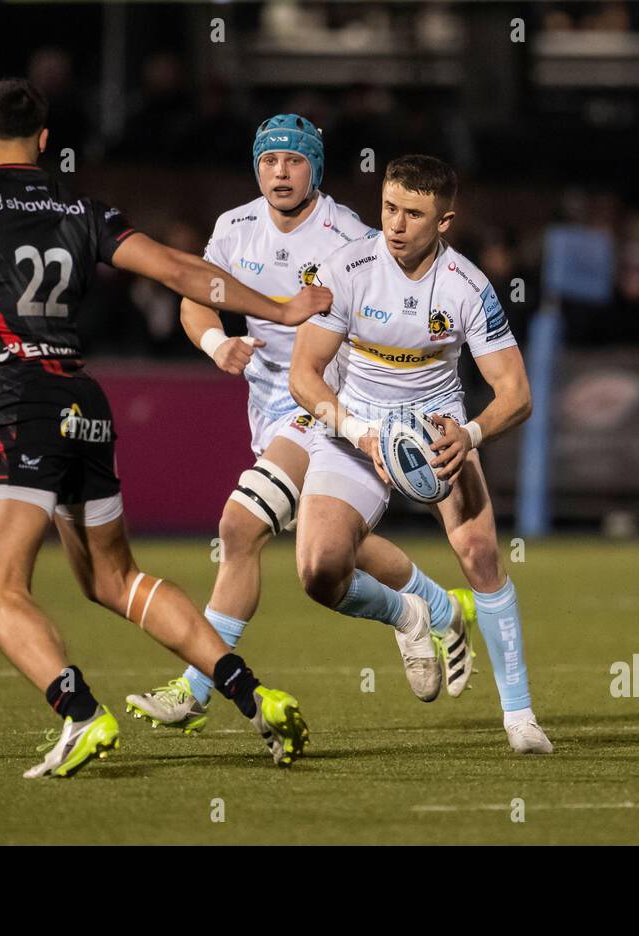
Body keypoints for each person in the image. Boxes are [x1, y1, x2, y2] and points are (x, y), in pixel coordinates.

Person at [0, 79, 330, 775]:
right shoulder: (81, 204)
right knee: (114, 579)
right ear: (46, 141)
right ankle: (254, 696)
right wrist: (283, 309)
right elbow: (177, 269)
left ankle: (81, 715)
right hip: (82, 402)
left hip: (16, 403)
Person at [128, 116, 477, 731]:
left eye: (293, 161)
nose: (280, 172)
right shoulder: (234, 228)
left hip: (323, 408)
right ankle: (427, 608)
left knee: (238, 528)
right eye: (269, 161)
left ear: (314, 169)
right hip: (266, 410)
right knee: (329, 559)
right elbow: (195, 297)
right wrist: (215, 344)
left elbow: (398, 294)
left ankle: (197, 688)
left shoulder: (348, 234)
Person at [289, 155, 552, 755]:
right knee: (319, 572)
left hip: (437, 436)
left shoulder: (467, 287)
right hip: (354, 432)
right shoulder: (345, 268)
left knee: (482, 554)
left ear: (446, 221)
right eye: (388, 208)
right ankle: (413, 615)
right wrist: (359, 434)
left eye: (413, 213)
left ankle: (520, 719)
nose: (396, 224)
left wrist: (471, 436)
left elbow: (516, 395)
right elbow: (305, 376)